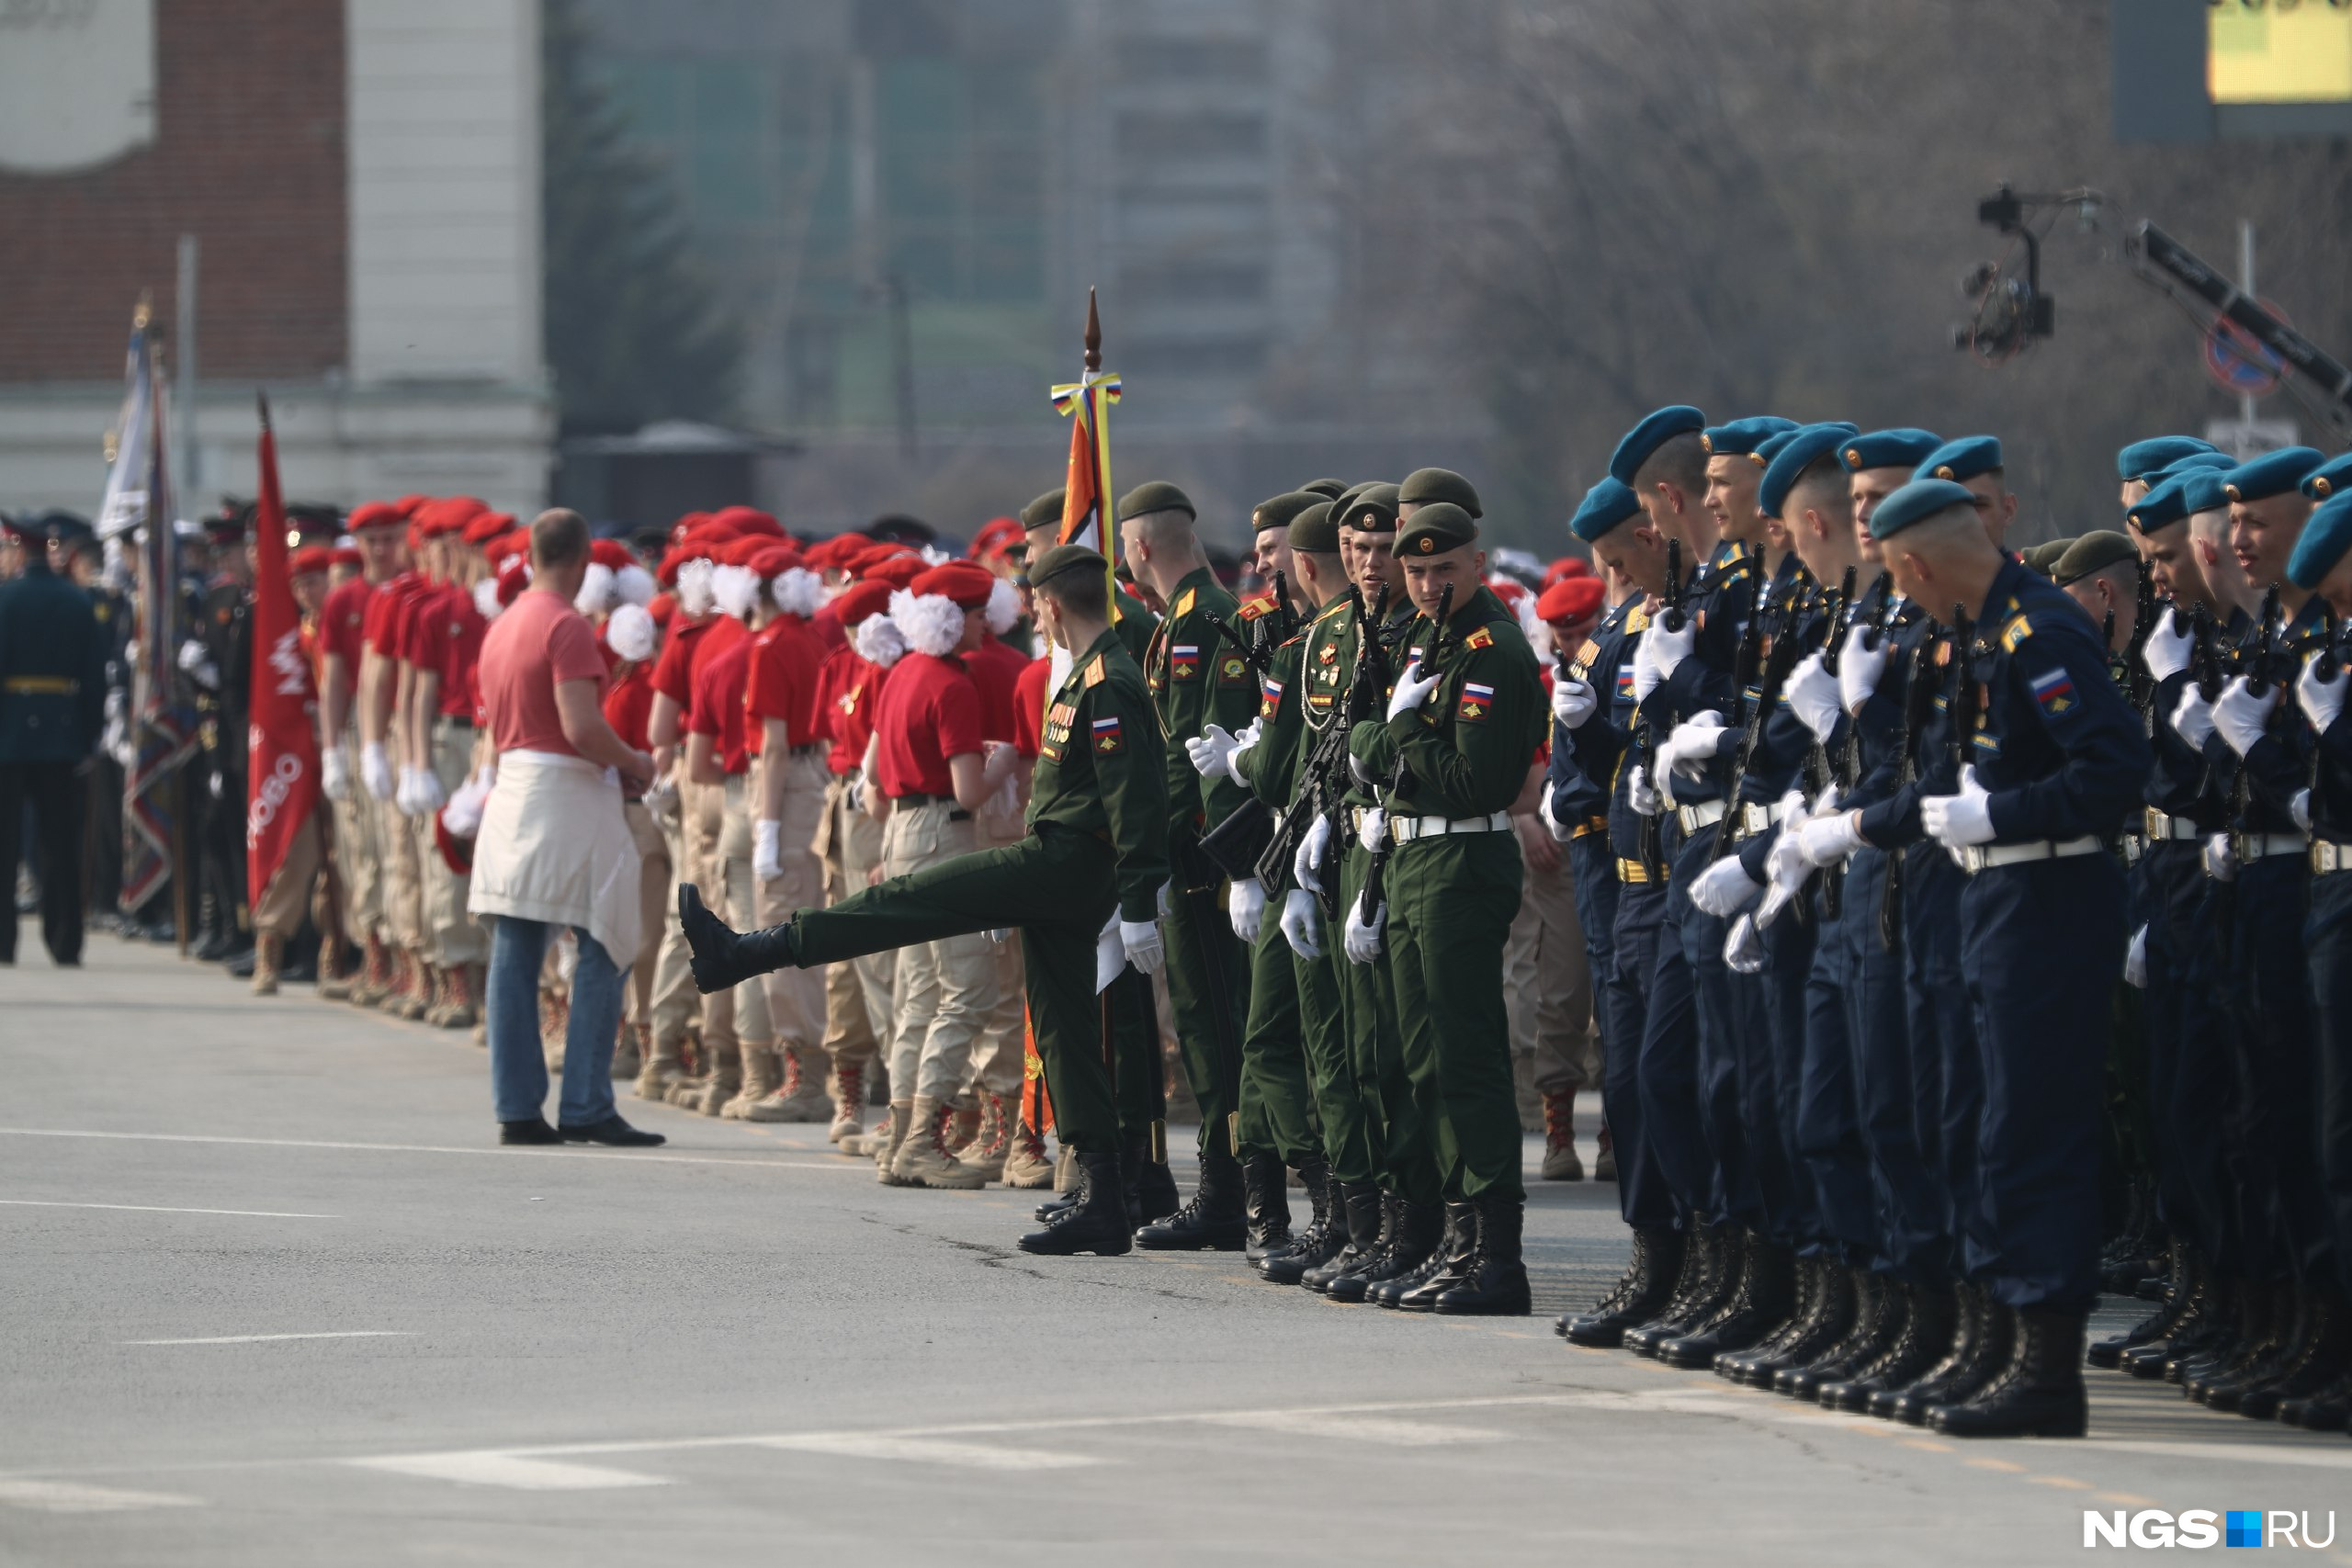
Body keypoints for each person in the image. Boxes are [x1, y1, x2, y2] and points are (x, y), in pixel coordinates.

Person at [679, 543, 1170, 1257]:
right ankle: (1103, 1190)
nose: (1034, 616)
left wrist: (1139, 900)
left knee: (907, 900)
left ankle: (751, 951)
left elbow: (1135, 803)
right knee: (1063, 1027)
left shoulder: (1109, 681)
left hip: (1065, 868)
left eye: (1036, 605)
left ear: (1053, 606)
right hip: (1059, 872)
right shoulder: (1090, 675)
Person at [1342, 499, 1547, 1314]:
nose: (1427, 584)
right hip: (1416, 852)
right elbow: (1362, 743)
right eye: (1417, 570)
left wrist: (1398, 737)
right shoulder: (1430, 637)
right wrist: (1386, 740)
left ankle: (1497, 1253)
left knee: (1464, 1057)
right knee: (1424, 1061)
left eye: (1443, 568)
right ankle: (1456, 1242)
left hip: (1462, 854)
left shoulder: (1490, 649)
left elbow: (1477, 781)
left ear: (1478, 560)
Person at [467, 508, 662, 1149]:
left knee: (517, 947)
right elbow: (580, 725)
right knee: (605, 943)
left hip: (513, 788)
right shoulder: (565, 624)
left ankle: (517, 1106)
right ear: (581, 562)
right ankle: (585, 1101)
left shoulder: (503, 625)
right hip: (564, 794)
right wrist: (635, 761)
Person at [1121, 479, 1261, 1248]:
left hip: (1202, 854)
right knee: (1210, 1024)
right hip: (1200, 848)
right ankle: (1228, 1184)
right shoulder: (1191, 615)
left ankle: (1229, 1189)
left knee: (1214, 1024)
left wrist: (1154, 856)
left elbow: (1183, 756)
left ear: (1141, 547)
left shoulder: (1197, 621)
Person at [0, 511, 106, 966]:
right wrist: (88, 737)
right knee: (61, 844)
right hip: (63, 732)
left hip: (8, 733)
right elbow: (94, 680)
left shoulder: (5, 599)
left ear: (19, 551)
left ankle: (3, 944)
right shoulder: (78, 602)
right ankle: (66, 941)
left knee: (5, 845)